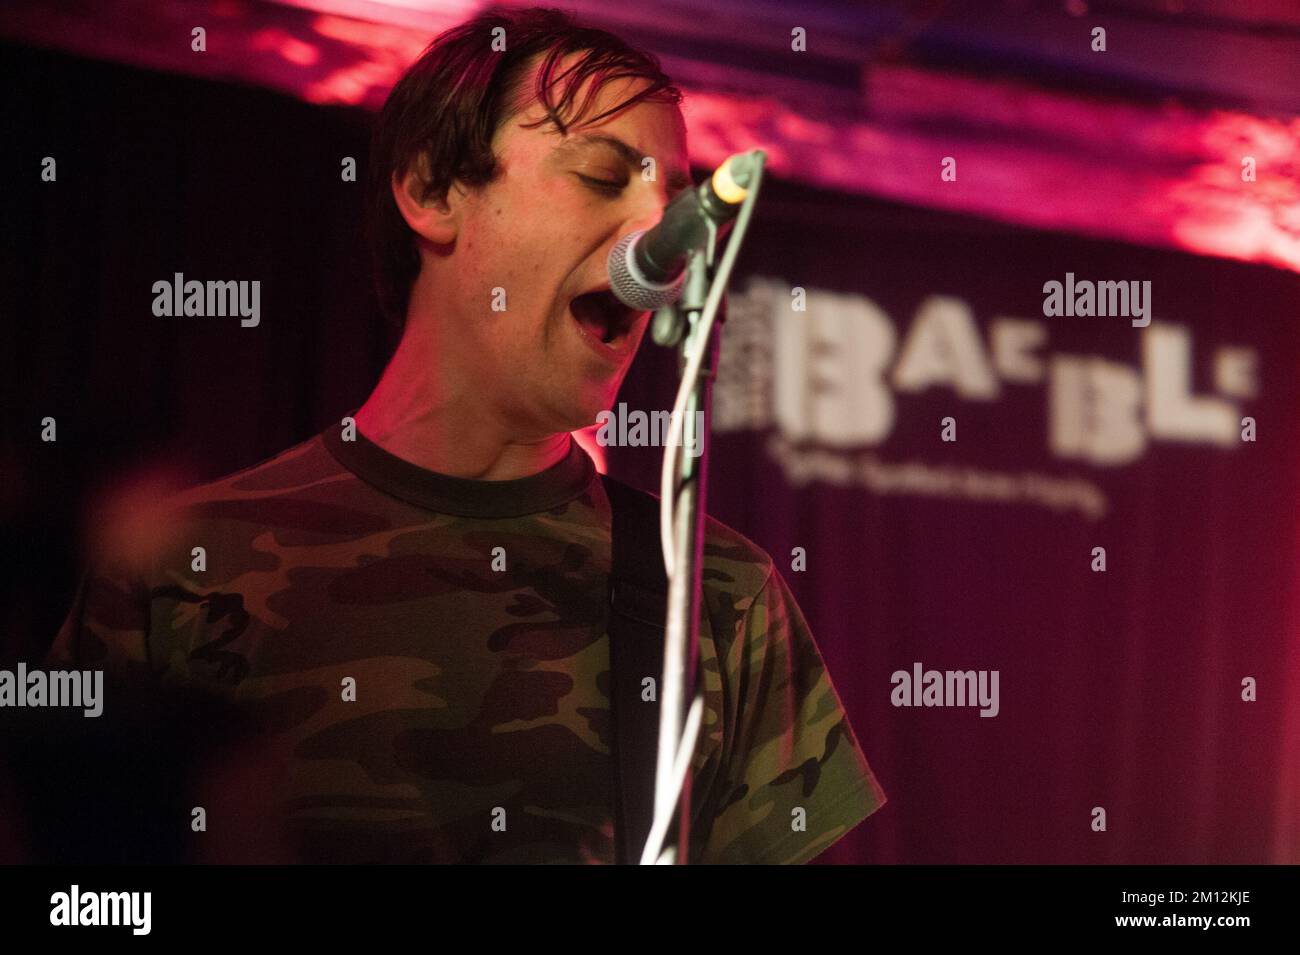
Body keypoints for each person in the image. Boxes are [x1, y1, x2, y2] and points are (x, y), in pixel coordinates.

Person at [45, 6, 885, 864]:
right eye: (602, 175)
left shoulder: (723, 599)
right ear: (434, 190)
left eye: (670, 196)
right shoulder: (177, 563)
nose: (657, 240)